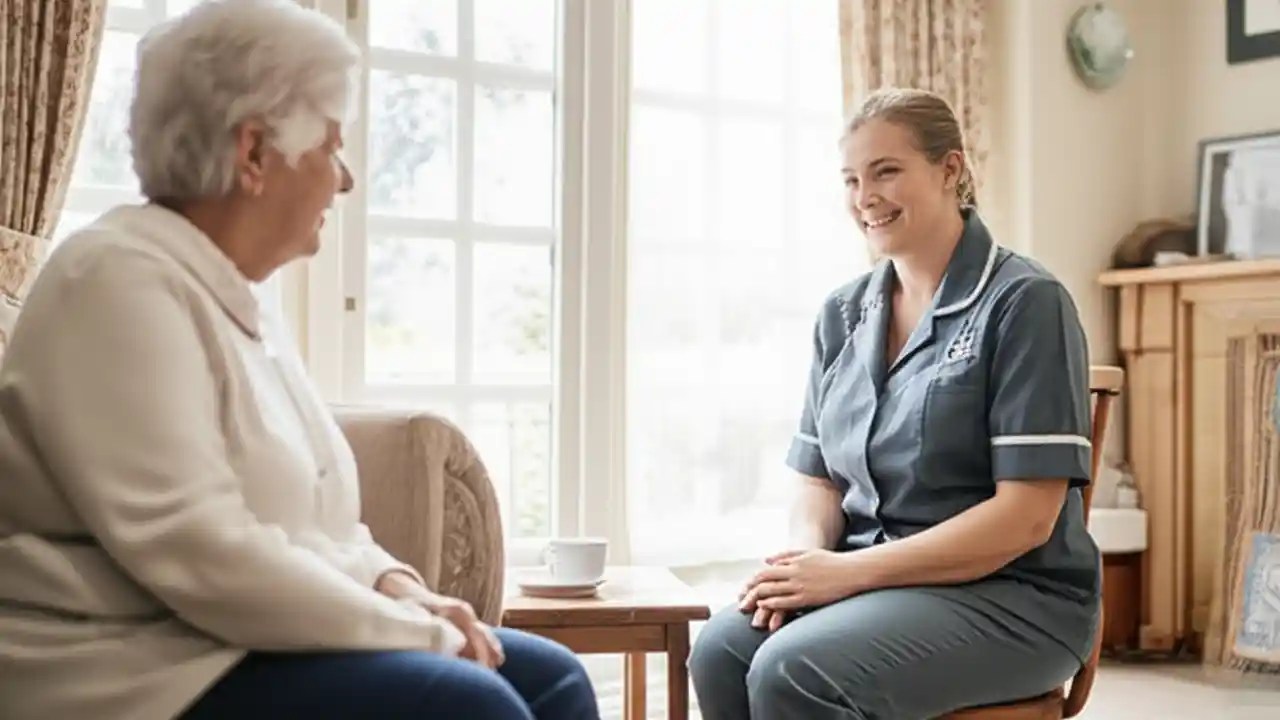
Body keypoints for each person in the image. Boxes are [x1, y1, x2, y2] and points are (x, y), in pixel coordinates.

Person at [0, 2, 598, 719]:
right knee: (471, 704)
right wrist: (417, 634)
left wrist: (398, 587)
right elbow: (200, 551)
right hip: (131, 669)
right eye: (331, 147)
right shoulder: (112, 283)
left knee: (553, 678)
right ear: (254, 153)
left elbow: (315, 526)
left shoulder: (238, 297)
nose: (345, 180)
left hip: (229, 643)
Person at [688, 87, 1101, 719]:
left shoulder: (1026, 302)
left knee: (793, 669)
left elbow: (1026, 519)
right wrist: (805, 563)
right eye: (852, 179)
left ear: (950, 169)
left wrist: (846, 575)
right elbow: (818, 480)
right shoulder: (842, 313)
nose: (865, 197)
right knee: (720, 651)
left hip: (1015, 598)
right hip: (873, 587)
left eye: (885, 171)